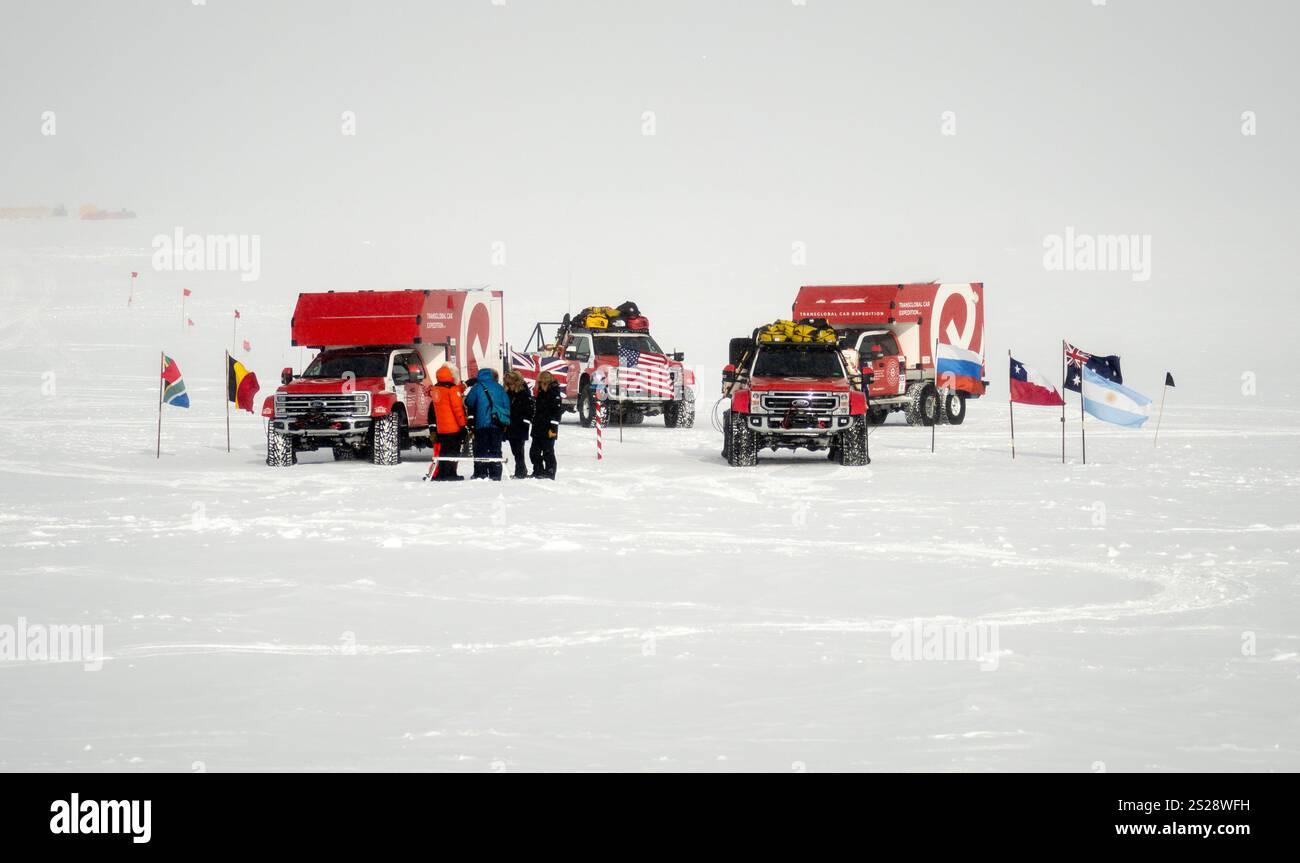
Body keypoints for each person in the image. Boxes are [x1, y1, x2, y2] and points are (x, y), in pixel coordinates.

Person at [463, 367, 509, 480]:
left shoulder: (477, 387)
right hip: (496, 423)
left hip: (481, 424)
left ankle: (481, 473)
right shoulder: (499, 388)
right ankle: (495, 474)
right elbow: (506, 405)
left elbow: (469, 402)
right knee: (495, 449)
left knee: (481, 449)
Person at [429, 365, 467, 481]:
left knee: (444, 451)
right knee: (453, 451)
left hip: (441, 428)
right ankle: (451, 474)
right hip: (453, 427)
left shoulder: (435, 389)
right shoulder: (452, 389)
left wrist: (463, 386)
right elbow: (457, 409)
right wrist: (462, 426)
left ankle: (442, 473)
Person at [529, 371, 562, 479]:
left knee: (548, 451)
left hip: (548, 428)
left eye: (541, 383)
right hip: (538, 427)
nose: (539, 385)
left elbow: (556, 412)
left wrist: (553, 427)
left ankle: (549, 472)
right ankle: (538, 470)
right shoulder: (541, 393)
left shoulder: (554, 394)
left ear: (546, 382)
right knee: (534, 452)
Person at [502, 370, 534, 479]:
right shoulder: (509, 393)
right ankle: (521, 470)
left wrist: (525, 422)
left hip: (520, 425)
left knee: (518, 450)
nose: (509, 385)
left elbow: (529, 410)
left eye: (510, 383)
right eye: (507, 383)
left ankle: (520, 471)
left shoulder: (524, 393)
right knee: (515, 450)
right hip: (512, 425)